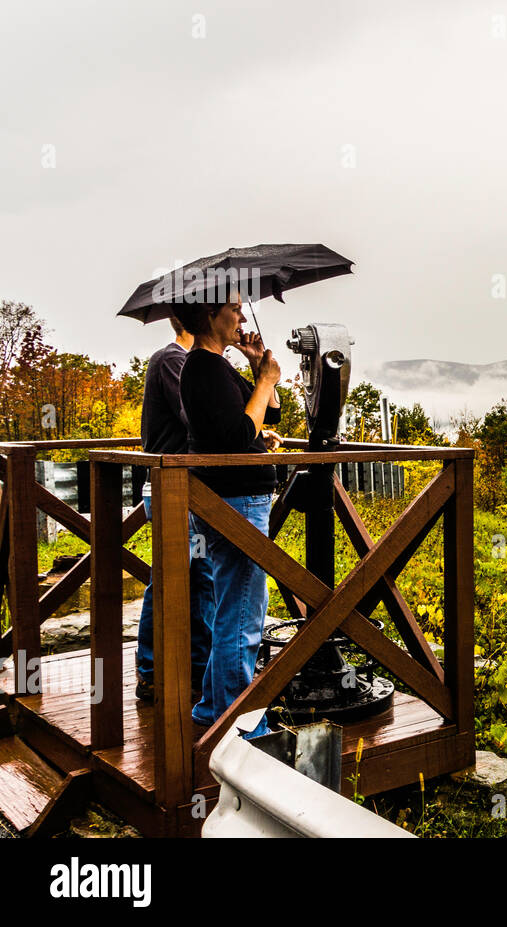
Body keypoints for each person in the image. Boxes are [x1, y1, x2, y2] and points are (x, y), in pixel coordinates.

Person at [172, 291, 283, 739]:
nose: (241, 314)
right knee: (242, 613)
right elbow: (239, 435)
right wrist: (263, 382)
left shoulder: (216, 367)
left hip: (232, 499)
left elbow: (267, 414)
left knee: (231, 608)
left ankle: (214, 707)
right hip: (235, 501)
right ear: (210, 314)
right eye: (234, 307)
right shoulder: (203, 367)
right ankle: (242, 726)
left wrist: (261, 372)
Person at [135, 315, 215, 704]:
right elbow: (196, 420)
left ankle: (198, 670)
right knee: (170, 577)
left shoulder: (179, 360)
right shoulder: (173, 360)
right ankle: (150, 673)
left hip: (186, 487)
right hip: (170, 487)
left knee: (200, 576)